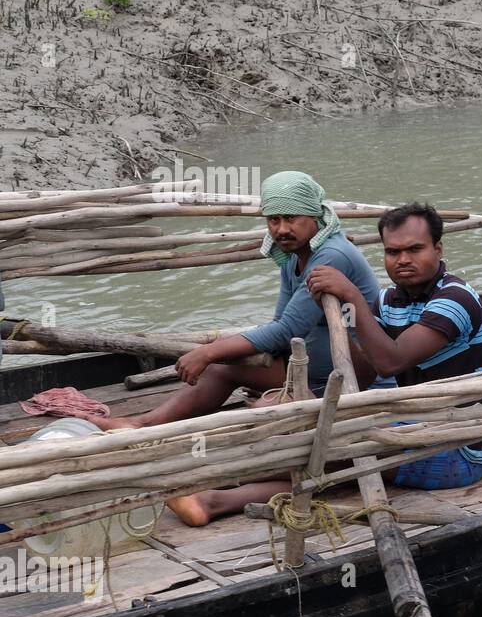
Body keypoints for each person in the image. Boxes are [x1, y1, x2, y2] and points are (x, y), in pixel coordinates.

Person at [165, 202, 482, 527]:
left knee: (336, 451)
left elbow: (391, 361)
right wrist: (345, 318)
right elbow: (365, 371)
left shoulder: (455, 299)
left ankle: (211, 486)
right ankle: (211, 498)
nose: (402, 260)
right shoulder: (388, 300)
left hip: (459, 447)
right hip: (412, 427)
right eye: (392, 252)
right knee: (321, 445)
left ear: (438, 249)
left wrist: (353, 296)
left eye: (415, 250)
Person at [88, 171, 387, 432]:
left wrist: (209, 352)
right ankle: (143, 425)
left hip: (353, 374)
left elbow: (286, 329)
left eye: (291, 218)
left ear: (314, 216)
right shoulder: (292, 256)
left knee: (220, 367)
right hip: (312, 366)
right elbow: (281, 326)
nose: (282, 229)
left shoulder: (332, 255)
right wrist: (232, 356)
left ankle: (143, 425)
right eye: (273, 220)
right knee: (225, 366)